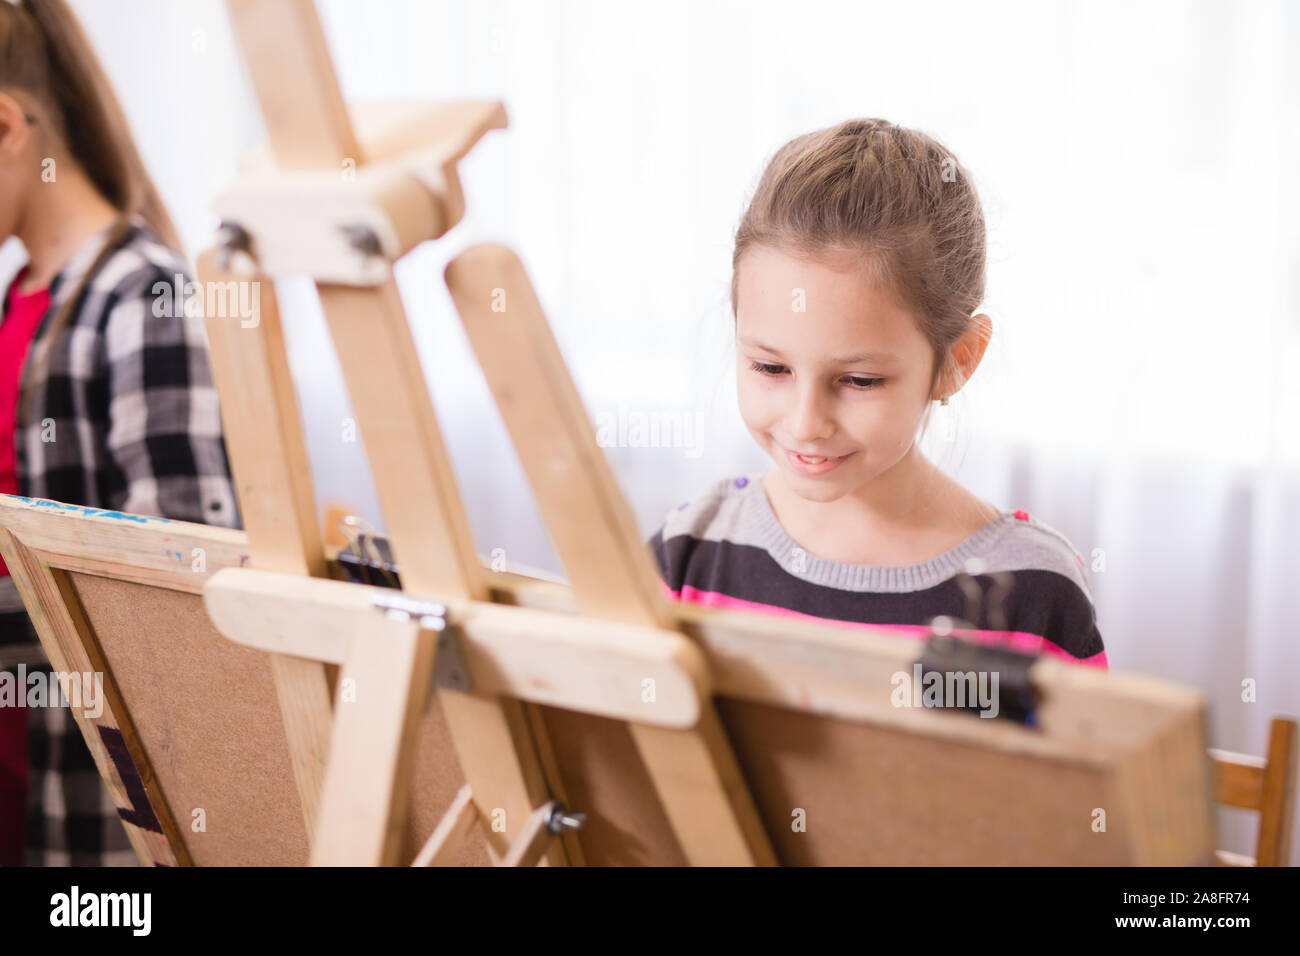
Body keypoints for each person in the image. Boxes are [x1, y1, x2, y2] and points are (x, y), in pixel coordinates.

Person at [647, 118, 1106, 669]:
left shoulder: (1032, 592)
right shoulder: (689, 551)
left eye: (859, 381)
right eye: (770, 367)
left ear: (956, 361)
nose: (805, 422)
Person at [0, 0, 240, 865]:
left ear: (6, 127)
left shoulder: (144, 297)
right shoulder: (22, 295)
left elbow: (176, 592)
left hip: (89, 784)